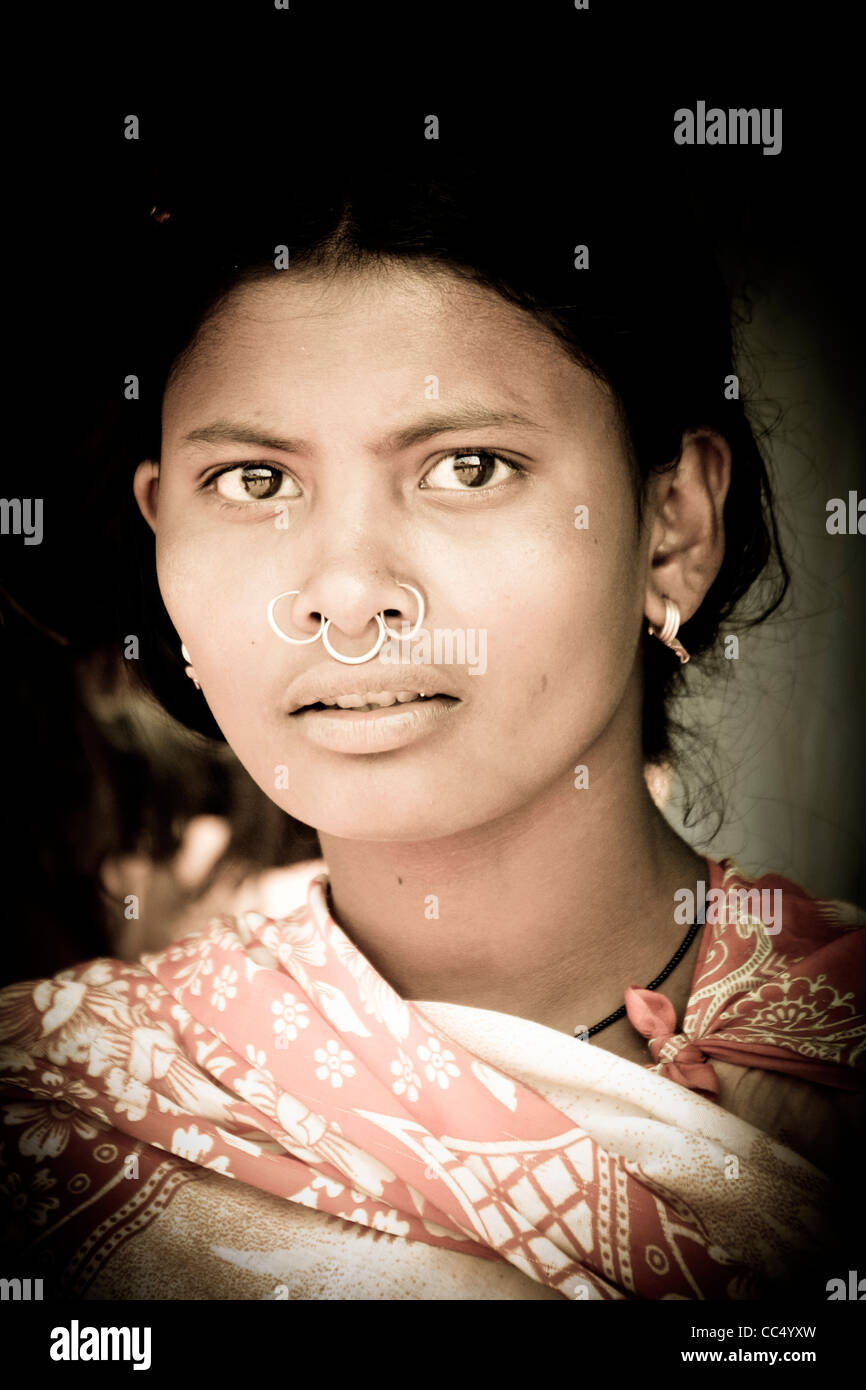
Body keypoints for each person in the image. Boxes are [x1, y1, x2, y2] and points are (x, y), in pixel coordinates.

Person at [0, 141, 863, 1301]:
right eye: (255, 482)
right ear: (161, 537)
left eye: (466, 466)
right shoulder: (55, 1110)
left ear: (670, 527)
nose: (347, 595)